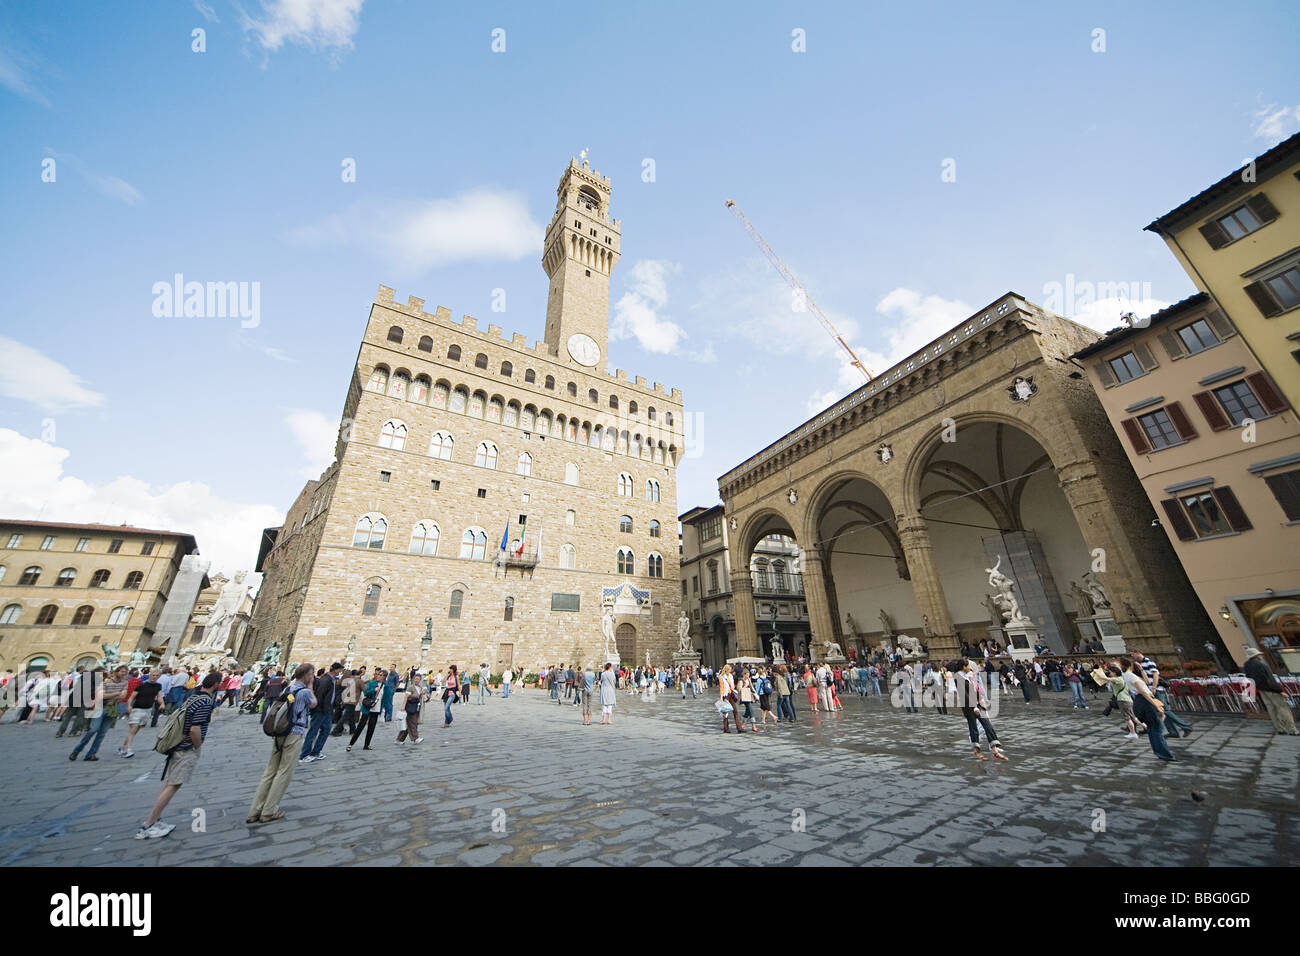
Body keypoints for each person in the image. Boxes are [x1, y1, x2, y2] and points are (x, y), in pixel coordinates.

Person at [136, 671, 221, 839]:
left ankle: (155, 819)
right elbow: (194, 728)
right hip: (186, 748)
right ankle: (149, 825)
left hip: (177, 745)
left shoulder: (193, 697)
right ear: (216, 684)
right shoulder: (205, 702)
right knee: (173, 785)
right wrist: (197, 745)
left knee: (170, 783)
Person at [247, 662, 315, 824]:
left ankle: (255, 810)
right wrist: (311, 686)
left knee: (270, 771)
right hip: (294, 733)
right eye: (311, 675)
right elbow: (313, 703)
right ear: (306, 675)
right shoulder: (305, 691)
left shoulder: (287, 689)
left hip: (279, 731)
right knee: (284, 771)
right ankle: (269, 811)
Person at [69, 666, 129, 762]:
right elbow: (101, 696)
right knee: (93, 730)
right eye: (122, 671)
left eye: (125, 672)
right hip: (100, 707)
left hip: (112, 709)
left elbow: (123, 695)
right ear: (116, 671)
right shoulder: (106, 681)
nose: (123, 673)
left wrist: (113, 695)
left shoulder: (125, 683)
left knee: (102, 733)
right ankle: (77, 750)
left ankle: (91, 754)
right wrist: (117, 693)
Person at [955, 659, 1008, 761]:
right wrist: (973, 706)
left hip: (978, 704)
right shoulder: (958, 677)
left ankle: (994, 750)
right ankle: (977, 751)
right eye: (967, 666)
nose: (969, 668)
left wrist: (981, 701)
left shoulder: (969, 676)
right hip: (968, 706)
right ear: (963, 667)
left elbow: (975, 689)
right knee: (973, 727)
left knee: (987, 724)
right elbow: (964, 694)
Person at [1122, 659, 1174, 761]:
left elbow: (1146, 682)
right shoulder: (1131, 676)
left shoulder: (1130, 675)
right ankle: (1164, 754)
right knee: (1156, 728)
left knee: (1153, 728)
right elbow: (1143, 692)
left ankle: (1160, 752)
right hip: (1145, 701)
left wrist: (1141, 670)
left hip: (1141, 701)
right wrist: (1155, 704)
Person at [1243, 648, 1298, 735]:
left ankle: (1280, 728)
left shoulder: (1246, 665)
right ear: (1256, 656)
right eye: (1259, 654)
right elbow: (1270, 680)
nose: (1261, 656)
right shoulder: (1262, 665)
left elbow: (1249, 678)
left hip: (1261, 690)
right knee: (1283, 708)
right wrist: (1280, 691)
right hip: (1271, 689)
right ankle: (1292, 729)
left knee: (1271, 709)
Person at [300, 663, 341, 763]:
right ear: (335, 670)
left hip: (327, 709)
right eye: (339, 669)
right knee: (313, 731)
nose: (340, 671)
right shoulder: (325, 680)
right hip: (320, 709)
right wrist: (318, 708)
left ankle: (316, 752)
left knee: (326, 730)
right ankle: (304, 754)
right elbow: (319, 695)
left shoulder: (332, 680)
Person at [118, 671, 163, 757]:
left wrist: (162, 703)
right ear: (150, 675)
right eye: (153, 675)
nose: (154, 677)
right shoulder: (142, 686)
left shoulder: (158, 686)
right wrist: (129, 706)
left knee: (135, 730)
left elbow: (159, 696)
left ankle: (123, 747)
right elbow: (131, 697)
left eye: (157, 675)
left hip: (148, 710)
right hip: (137, 709)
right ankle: (128, 750)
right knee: (134, 728)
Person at [348, 669, 385, 750]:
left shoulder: (386, 686)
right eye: (378, 674)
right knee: (360, 726)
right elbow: (366, 693)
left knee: (371, 728)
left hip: (376, 709)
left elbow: (385, 699)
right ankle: (351, 744)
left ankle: (366, 745)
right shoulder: (372, 684)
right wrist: (374, 690)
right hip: (368, 707)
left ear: (384, 677)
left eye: (381, 675)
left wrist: (383, 710)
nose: (378, 676)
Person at [397, 673, 427, 742]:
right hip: (410, 706)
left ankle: (399, 739)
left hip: (417, 707)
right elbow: (406, 697)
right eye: (415, 679)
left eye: (418, 679)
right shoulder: (411, 687)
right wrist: (403, 707)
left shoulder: (420, 687)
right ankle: (415, 738)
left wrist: (423, 694)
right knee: (413, 723)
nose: (416, 680)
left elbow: (423, 697)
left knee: (409, 725)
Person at [332, 669, 361, 738]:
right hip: (344, 700)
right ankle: (336, 730)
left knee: (351, 715)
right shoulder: (346, 682)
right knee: (346, 716)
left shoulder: (340, 681)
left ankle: (353, 729)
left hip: (340, 700)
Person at [718, 663, 744, 733]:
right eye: (729, 670)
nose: (730, 671)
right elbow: (721, 688)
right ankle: (726, 728)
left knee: (735, 710)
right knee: (726, 712)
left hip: (731, 694)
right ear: (726, 670)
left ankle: (739, 727)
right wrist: (721, 697)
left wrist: (733, 687)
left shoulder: (730, 676)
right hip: (725, 695)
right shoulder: (721, 677)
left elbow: (732, 685)